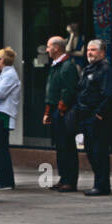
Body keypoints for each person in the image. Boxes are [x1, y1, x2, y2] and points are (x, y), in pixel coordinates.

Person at [73, 38, 112, 196]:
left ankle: (102, 185)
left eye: (93, 50)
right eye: (88, 50)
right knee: (91, 152)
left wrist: (98, 114)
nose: (89, 53)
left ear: (102, 52)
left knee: (99, 152)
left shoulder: (105, 70)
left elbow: (109, 95)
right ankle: (98, 183)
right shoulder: (88, 69)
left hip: (96, 117)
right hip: (85, 116)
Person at [43, 35, 80, 192]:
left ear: (56, 48)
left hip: (63, 112)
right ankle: (63, 177)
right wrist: (48, 111)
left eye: (49, 46)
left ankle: (70, 180)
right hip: (56, 110)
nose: (46, 50)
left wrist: (60, 109)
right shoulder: (57, 65)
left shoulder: (67, 66)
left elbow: (68, 90)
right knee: (60, 147)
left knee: (67, 146)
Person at [0, 47, 21, 190]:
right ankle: (4, 178)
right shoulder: (5, 74)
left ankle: (6, 180)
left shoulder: (10, 76)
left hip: (3, 114)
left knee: (0, 148)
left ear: (2, 60)